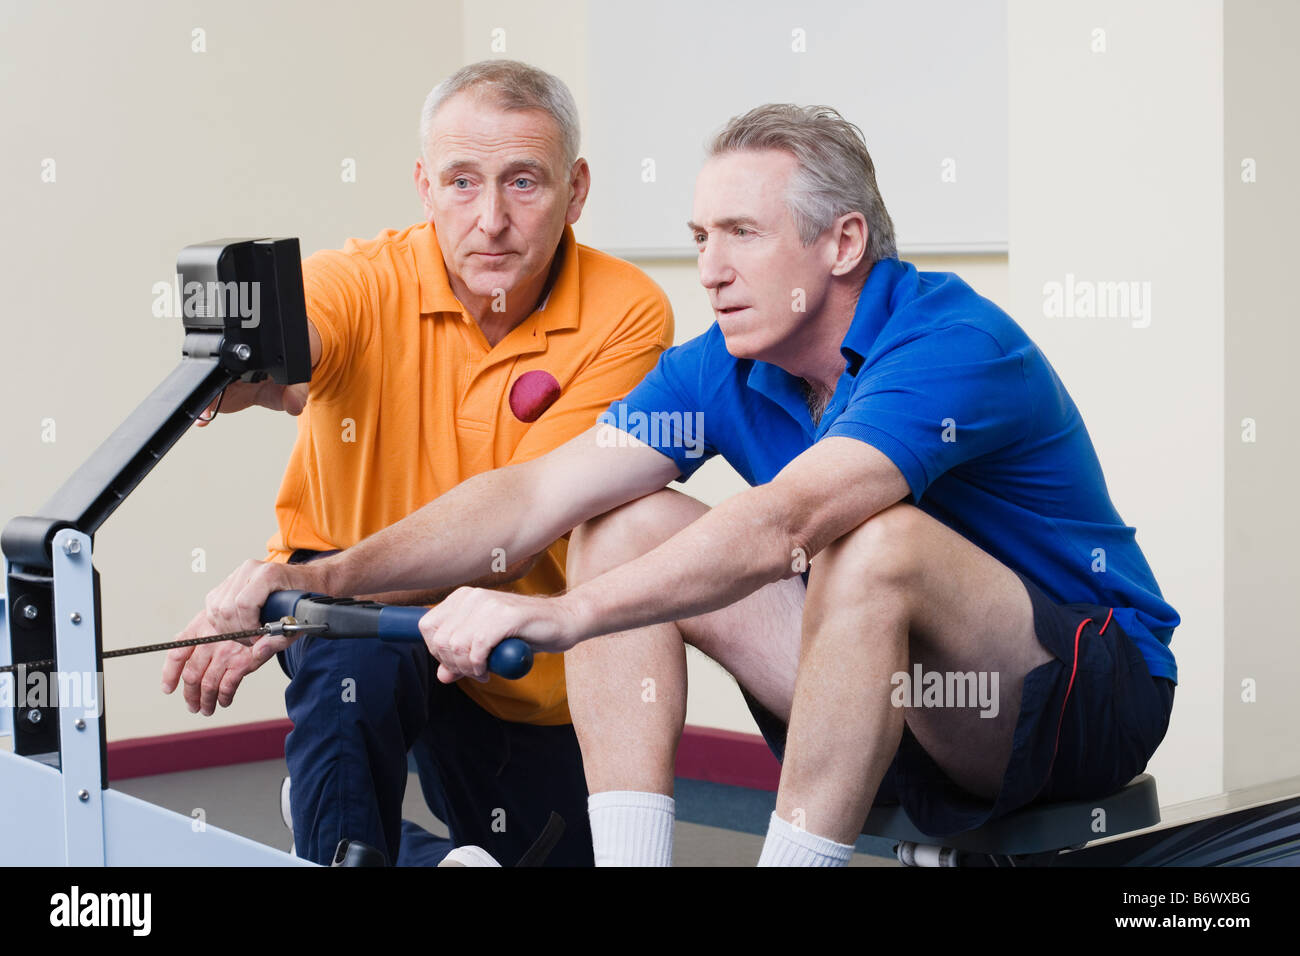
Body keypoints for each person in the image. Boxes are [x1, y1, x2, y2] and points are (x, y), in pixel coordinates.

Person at [178, 103, 1178, 867]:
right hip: (891, 690)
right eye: (700, 238)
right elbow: (536, 496)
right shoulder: (720, 367)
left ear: (840, 245)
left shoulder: (947, 342)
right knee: (618, 517)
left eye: (741, 234)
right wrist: (320, 578)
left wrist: (571, 614)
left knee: (877, 540)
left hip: (1075, 691)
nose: (710, 268)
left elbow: (788, 518)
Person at [160, 60, 674, 867]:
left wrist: (306, 589)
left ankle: (363, 823)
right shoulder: (363, 281)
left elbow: (521, 517)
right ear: (424, 187)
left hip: (519, 654)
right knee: (347, 658)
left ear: (576, 191)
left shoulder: (627, 312)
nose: (491, 219)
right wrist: (228, 375)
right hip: (364, 613)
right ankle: (344, 816)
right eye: (462, 183)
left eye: (524, 183)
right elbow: (293, 343)